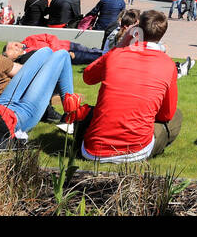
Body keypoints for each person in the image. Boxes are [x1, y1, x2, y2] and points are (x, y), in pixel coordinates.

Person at [77, 10, 181, 163]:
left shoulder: (116, 54)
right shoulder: (168, 64)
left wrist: (121, 43)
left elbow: (89, 77)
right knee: (176, 116)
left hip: (93, 149)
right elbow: (166, 115)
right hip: (136, 150)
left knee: (95, 111)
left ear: (137, 29)